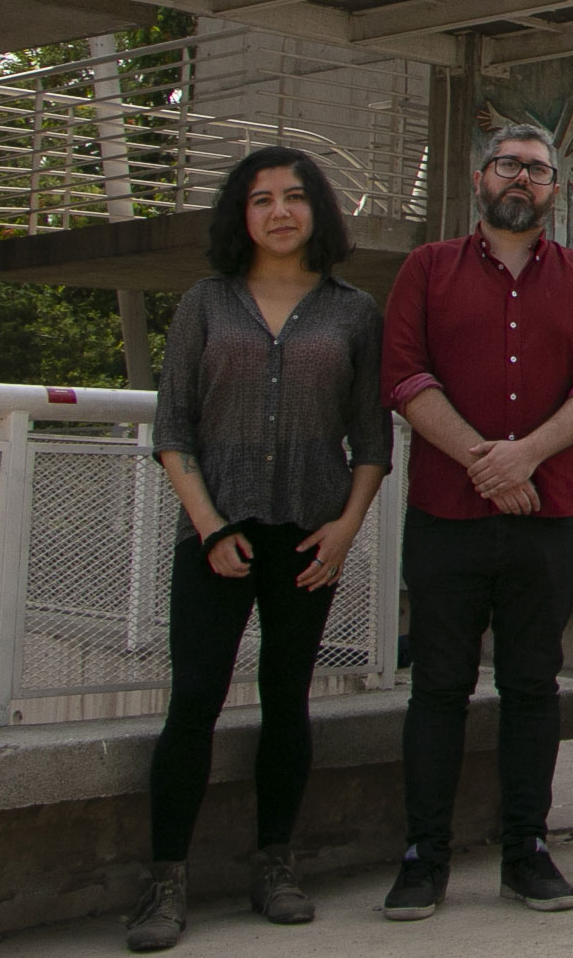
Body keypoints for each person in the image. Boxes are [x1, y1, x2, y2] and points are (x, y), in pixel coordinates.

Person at [128, 148, 391, 952]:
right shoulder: (206, 303)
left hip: (309, 536)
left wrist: (346, 528)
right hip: (215, 534)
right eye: (260, 199)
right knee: (196, 699)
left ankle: (275, 863)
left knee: (288, 697)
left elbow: (372, 439)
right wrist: (209, 526)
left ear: (318, 209)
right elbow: (173, 428)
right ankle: (163, 878)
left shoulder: (354, 311)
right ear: (239, 216)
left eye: (294, 196)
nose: (279, 211)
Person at [378, 125, 573, 919]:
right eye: (508, 164)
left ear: (555, 188)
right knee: (439, 687)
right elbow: (403, 371)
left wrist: (525, 457)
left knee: (532, 686)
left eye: (538, 169)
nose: (522, 178)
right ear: (479, 176)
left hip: (547, 517)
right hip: (445, 516)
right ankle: (424, 856)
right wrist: (485, 461)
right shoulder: (426, 268)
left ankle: (526, 849)